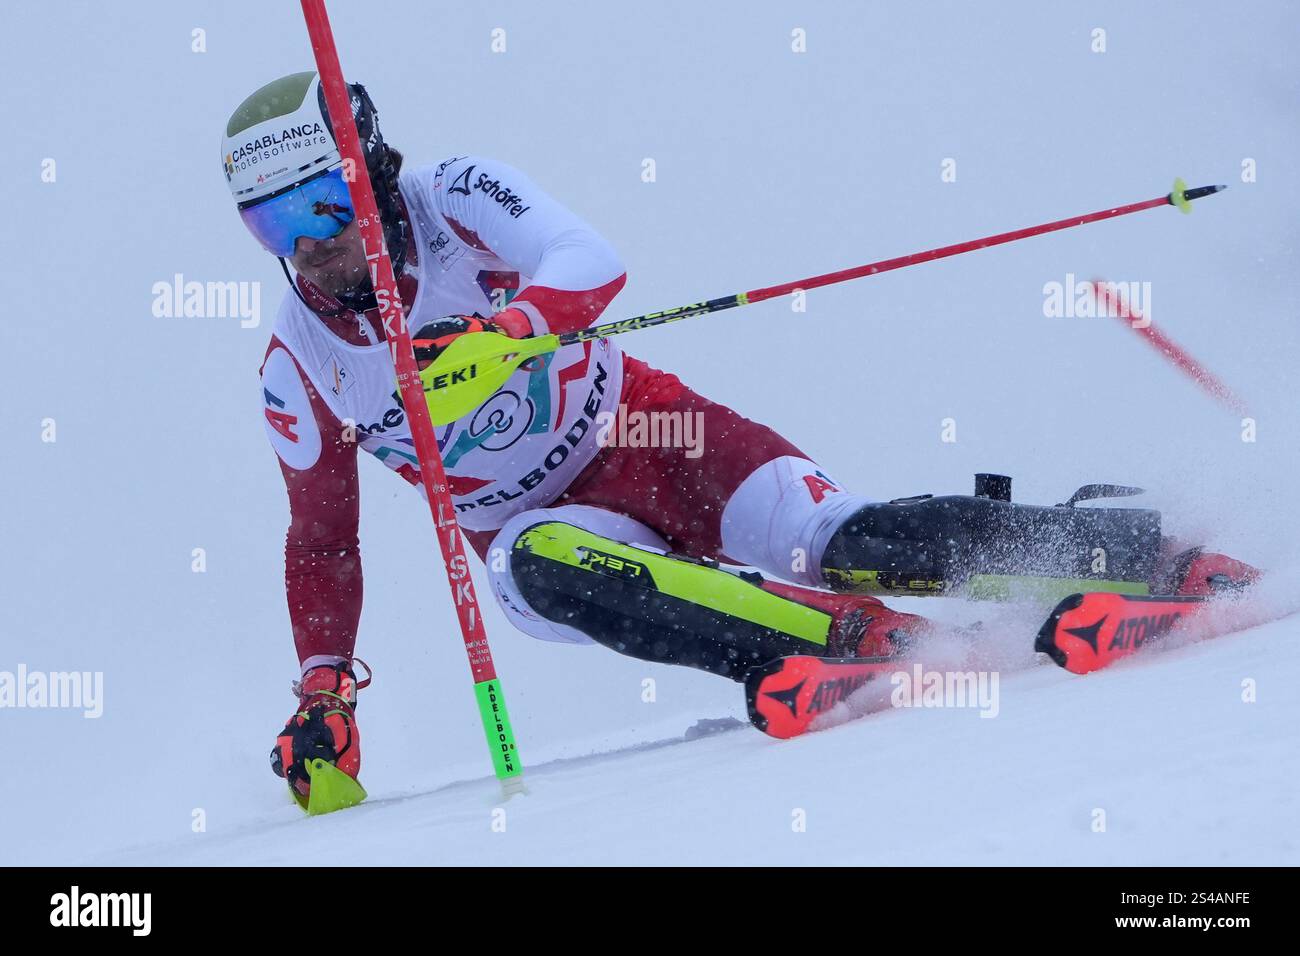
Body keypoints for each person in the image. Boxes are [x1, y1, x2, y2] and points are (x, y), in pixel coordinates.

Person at [222, 72, 1258, 803]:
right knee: (533, 567)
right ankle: (838, 641)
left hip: (652, 429)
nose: (310, 248)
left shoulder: (450, 195)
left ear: (368, 168)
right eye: (274, 228)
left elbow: (591, 256)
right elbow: (321, 538)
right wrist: (324, 687)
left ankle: (1156, 559)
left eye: (322, 205)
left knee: (839, 538)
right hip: (543, 523)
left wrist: (511, 330)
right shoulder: (298, 365)